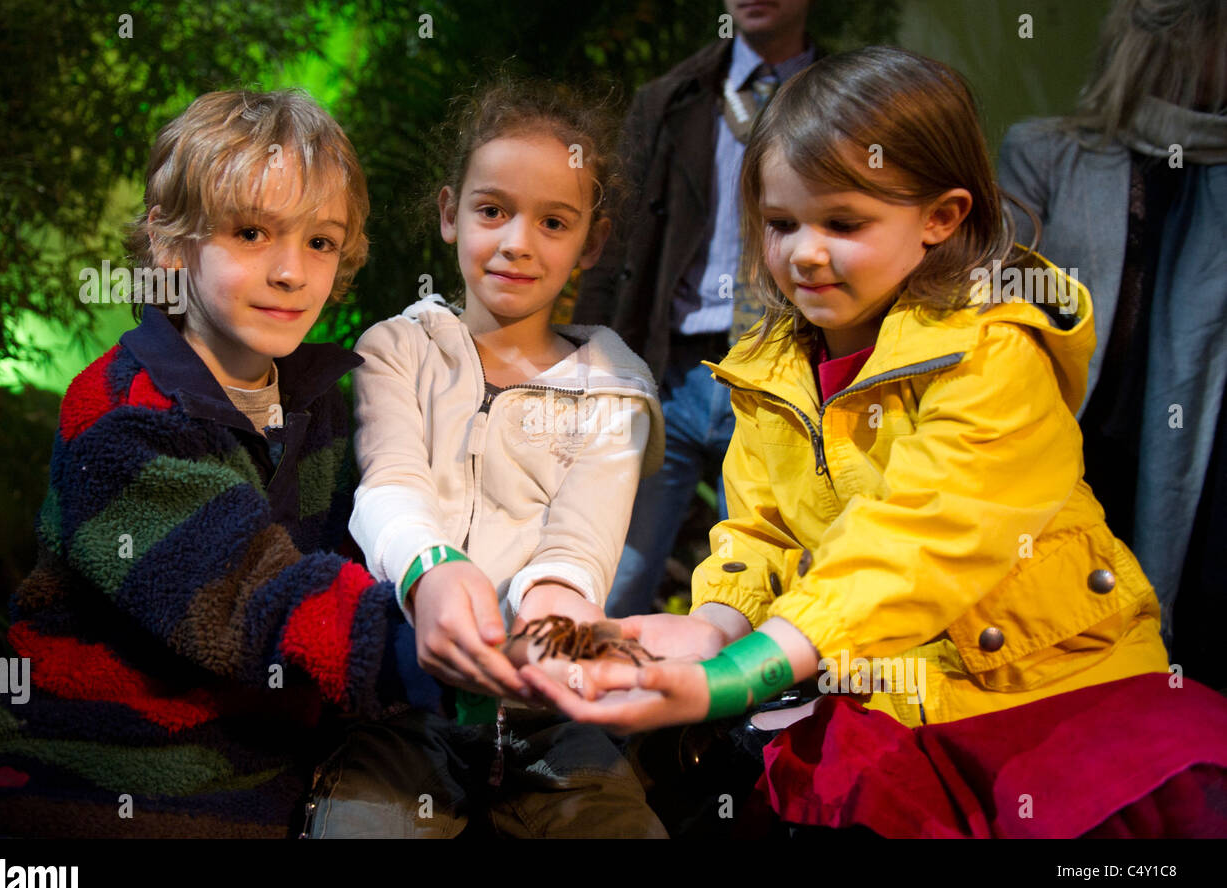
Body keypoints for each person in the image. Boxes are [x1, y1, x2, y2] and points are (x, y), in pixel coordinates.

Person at [526, 47, 1227, 838]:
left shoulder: (995, 350)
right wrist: (715, 621)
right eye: (781, 224)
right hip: (883, 686)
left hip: (1049, 689)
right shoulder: (769, 365)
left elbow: (916, 538)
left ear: (942, 216)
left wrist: (740, 673)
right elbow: (759, 530)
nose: (804, 252)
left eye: (843, 223)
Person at [0, 89, 416, 838]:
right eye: (253, 232)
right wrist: (432, 654)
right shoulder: (115, 412)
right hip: (107, 758)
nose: (293, 272)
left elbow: (376, 540)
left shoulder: (323, 404)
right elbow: (245, 591)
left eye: (320, 242)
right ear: (169, 243)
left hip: (268, 755)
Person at [308, 78, 669, 838]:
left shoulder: (616, 386)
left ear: (591, 243)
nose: (517, 243)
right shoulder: (396, 349)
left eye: (554, 222)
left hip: (551, 715)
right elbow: (389, 482)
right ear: (450, 214)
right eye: (492, 210)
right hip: (407, 695)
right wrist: (431, 567)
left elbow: (582, 540)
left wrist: (555, 614)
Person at [998, 0, 1227, 687]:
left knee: (1176, 654)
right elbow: (990, 307)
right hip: (1067, 451)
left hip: (1200, 459)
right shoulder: (1044, 152)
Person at [573, 0, 819, 617]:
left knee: (779, 578)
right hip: (671, 370)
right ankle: (588, 708)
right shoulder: (671, 98)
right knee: (619, 570)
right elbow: (618, 240)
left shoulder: (842, 96)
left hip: (792, 370)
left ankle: (754, 714)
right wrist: (590, 356)